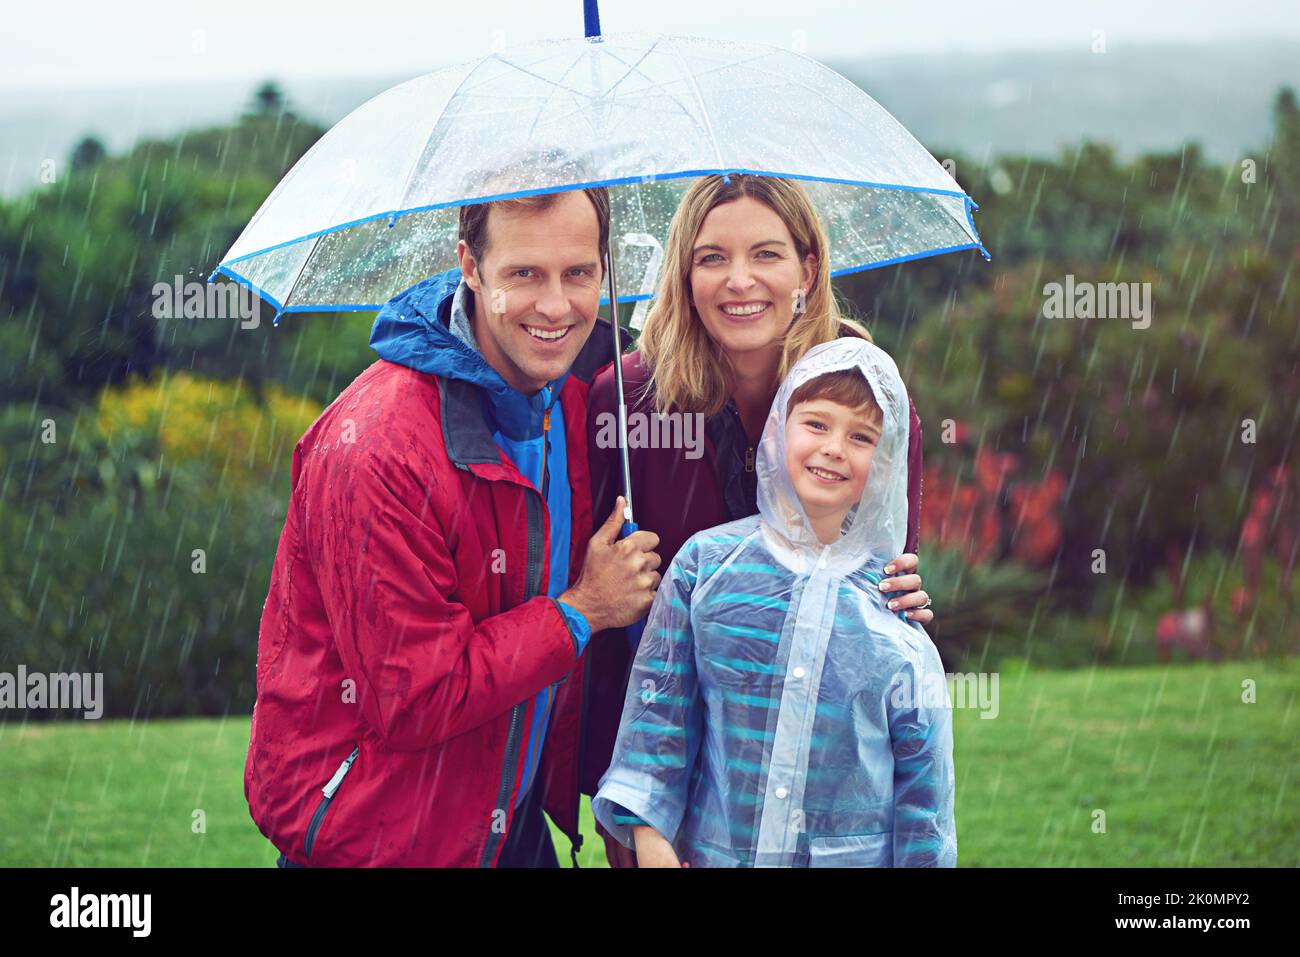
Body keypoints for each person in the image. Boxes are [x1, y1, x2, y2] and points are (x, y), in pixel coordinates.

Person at [245, 184, 661, 867]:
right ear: (469, 265)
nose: (556, 305)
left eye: (579, 273)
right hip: (381, 837)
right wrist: (583, 610)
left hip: (507, 826)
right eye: (524, 274)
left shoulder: (570, 398)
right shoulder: (375, 448)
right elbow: (416, 695)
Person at [582, 175, 934, 866]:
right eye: (712, 257)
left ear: (807, 269)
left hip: (822, 788)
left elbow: (881, 588)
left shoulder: (867, 398)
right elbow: (606, 640)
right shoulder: (627, 402)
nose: (738, 280)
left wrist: (908, 605)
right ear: (684, 274)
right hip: (667, 777)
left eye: (765, 254)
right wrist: (628, 806)